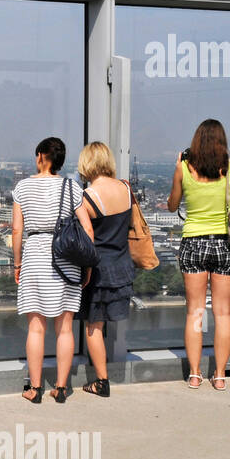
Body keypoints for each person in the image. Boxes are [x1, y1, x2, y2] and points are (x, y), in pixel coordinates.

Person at [166, 119, 230, 390]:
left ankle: (195, 374)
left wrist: (179, 167)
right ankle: (219, 375)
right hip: (225, 244)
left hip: (194, 242)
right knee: (222, 313)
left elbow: (172, 205)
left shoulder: (184, 168)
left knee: (195, 312)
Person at [12, 137, 81, 404]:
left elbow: (17, 230)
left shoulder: (23, 187)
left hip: (35, 255)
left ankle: (36, 388)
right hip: (66, 256)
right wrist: (85, 264)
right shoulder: (71, 187)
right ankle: (62, 388)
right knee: (64, 328)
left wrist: (17, 263)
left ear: (40, 156)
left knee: (36, 327)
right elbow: (86, 227)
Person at [74, 142, 134, 397]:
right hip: (123, 266)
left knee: (93, 327)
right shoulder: (126, 188)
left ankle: (101, 380)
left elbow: (83, 235)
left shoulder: (88, 197)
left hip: (98, 270)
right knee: (105, 324)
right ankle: (104, 376)